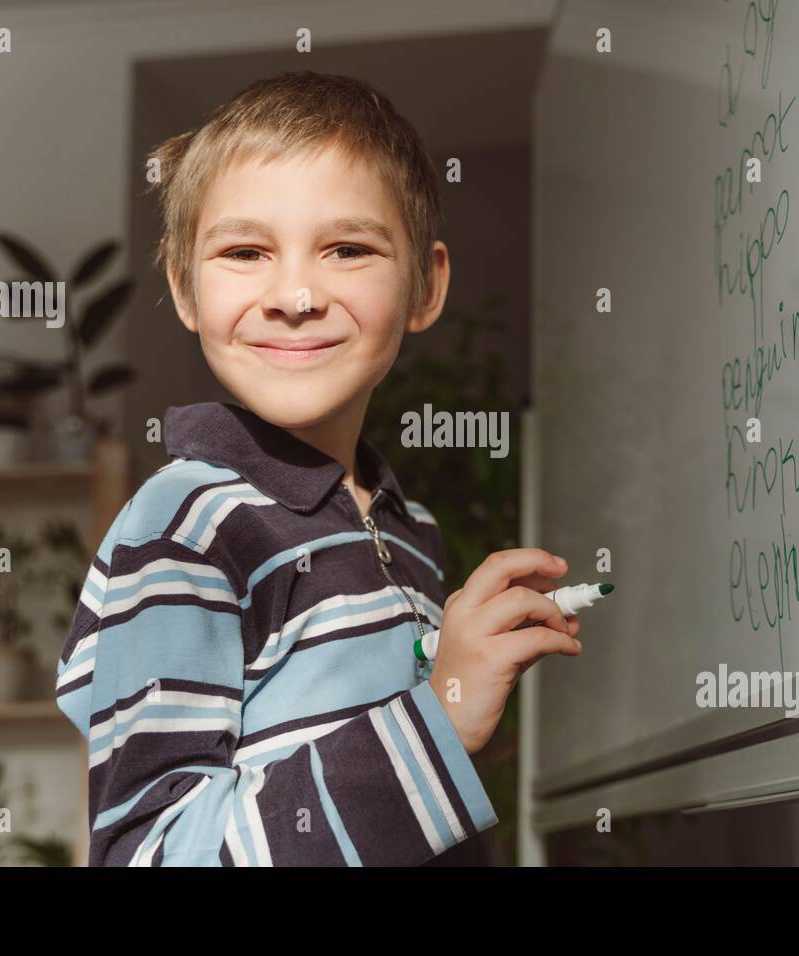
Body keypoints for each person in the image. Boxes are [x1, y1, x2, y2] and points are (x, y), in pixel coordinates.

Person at [55, 70, 582, 865]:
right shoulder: (185, 527)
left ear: (426, 284)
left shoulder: (416, 533)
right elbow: (151, 855)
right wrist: (438, 719)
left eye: (346, 248)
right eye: (244, 251)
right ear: (185, 288)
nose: (295, 294)